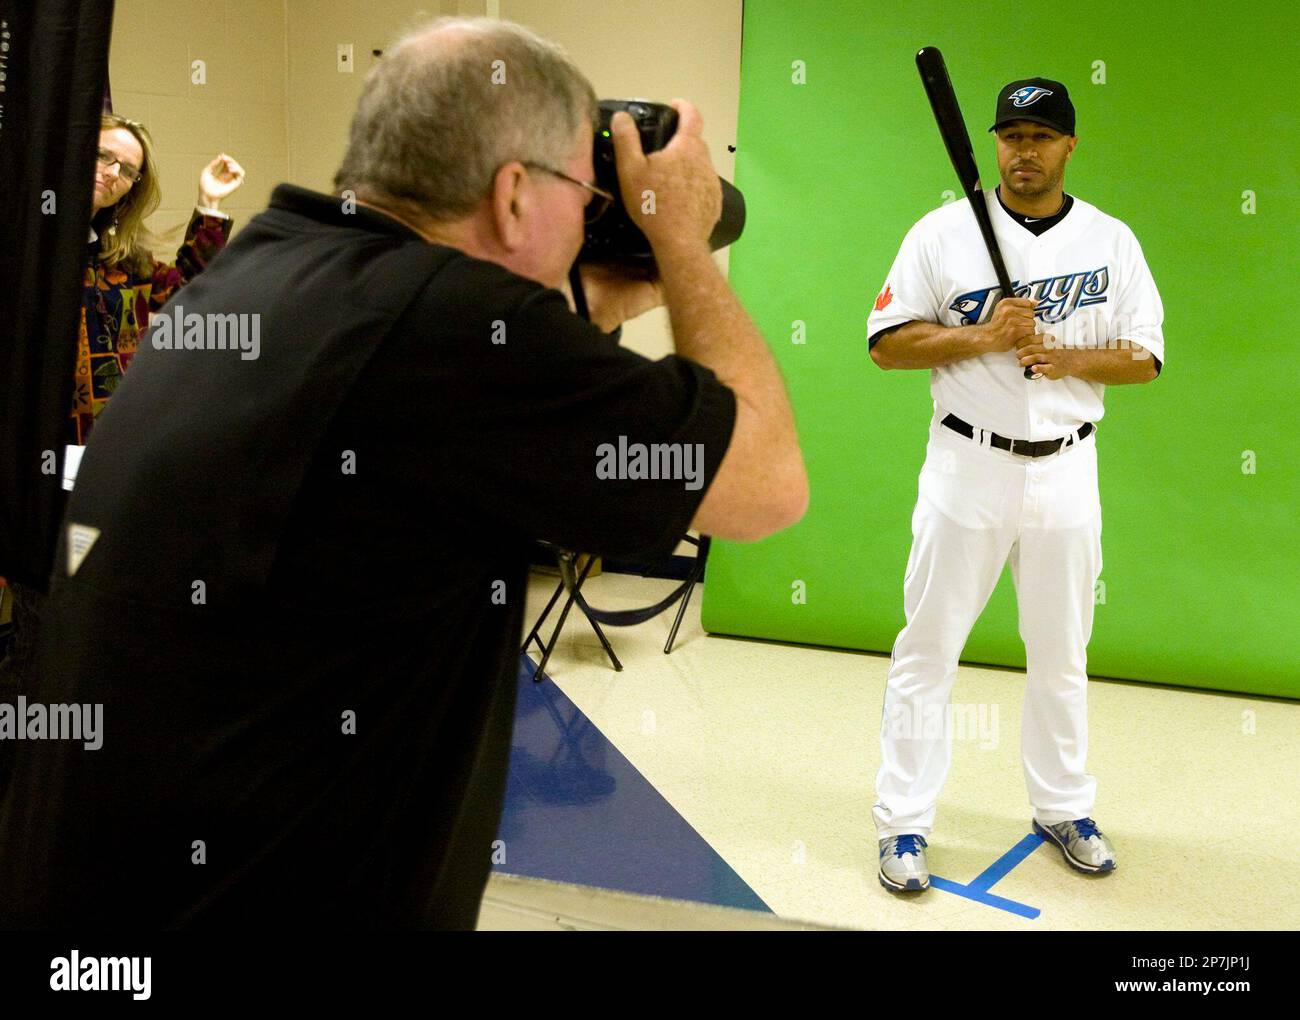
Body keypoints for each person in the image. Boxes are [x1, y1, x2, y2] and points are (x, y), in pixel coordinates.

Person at [0, 17, 807, 928]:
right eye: (582, 192)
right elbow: (765, 481)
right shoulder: (449, 330)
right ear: (512, 196)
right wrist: (684, 240)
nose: (591, 215)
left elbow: (464, 437)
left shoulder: (271, 269)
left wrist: (586, 301)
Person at [866, 78, 1164, 891]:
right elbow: (888, 345)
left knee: (1063, 652)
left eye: (1040, 136)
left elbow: (1145, 357)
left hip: (1068, 467)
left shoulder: (1111, 241)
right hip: (968, 465)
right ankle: (902, 824)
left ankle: (1063, 804)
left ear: (1070, 146)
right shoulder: (940, 233)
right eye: (1010, 135)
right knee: (928, 650)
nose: (1022, 150)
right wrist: (983, 335)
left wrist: (1063, 356)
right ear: (993, 144)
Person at [0, 115, 242, 775]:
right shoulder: (26, 246)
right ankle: (21, 778)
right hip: (29, 478)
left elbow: (193, 301)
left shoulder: (121, 271)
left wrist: (210, 207)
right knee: (37, 623)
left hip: (99, 477)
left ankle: (73, 775)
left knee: (90, 618)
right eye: (103, 156)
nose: (110, 173)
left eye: (125, 168)